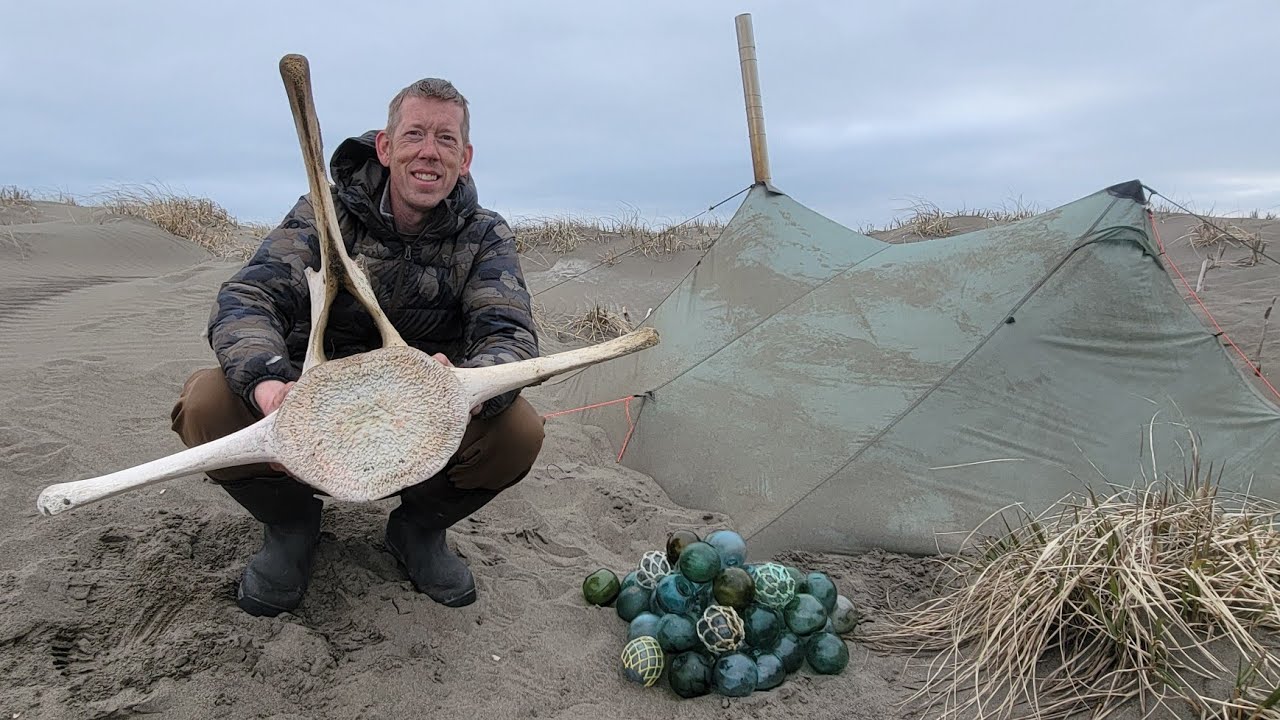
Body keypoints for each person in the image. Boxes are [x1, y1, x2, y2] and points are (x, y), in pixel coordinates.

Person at [169, 77, 545, 617]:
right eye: (415, 134)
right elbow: (248, 296)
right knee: (206, 404)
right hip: (309, 408)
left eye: (445, 140)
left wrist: (465, 389)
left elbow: (508, 335)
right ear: (386, 148)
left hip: (418, 417)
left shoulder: (486, 236)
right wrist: (271, 386)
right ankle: (291, 524)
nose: (429, 152)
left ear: (465, 158)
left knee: (519, 432)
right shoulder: (322, 214)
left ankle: (418, 530)